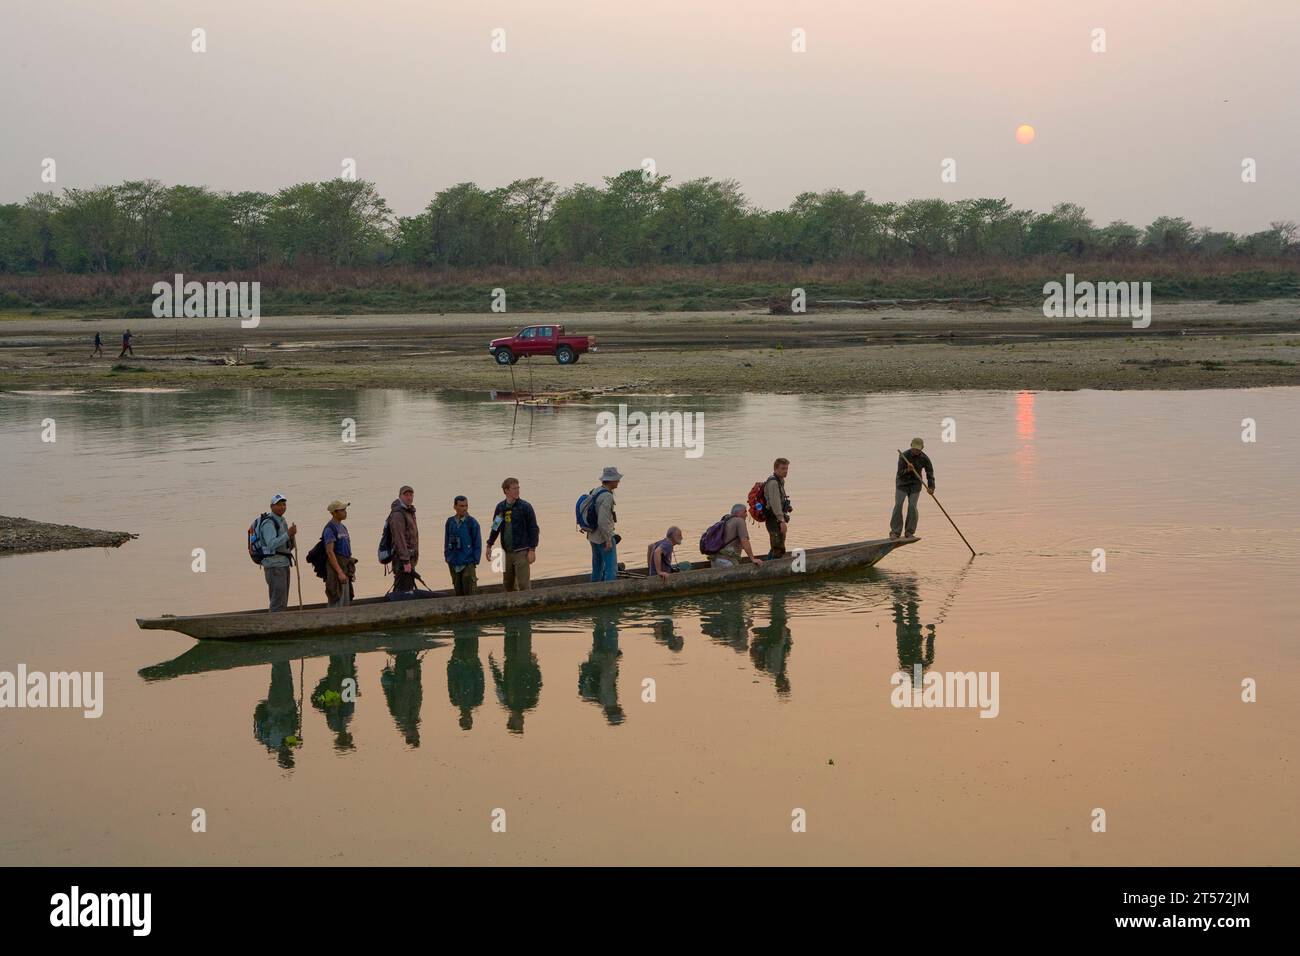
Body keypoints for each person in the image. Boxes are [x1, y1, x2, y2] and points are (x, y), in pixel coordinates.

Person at [486, 477, 539, 592]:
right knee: (508, 584)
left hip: (522, 551)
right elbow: (495, 527)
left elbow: (533, 529)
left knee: (523, 584)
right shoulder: (501, 507)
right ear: (506, 491)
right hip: (506, 552)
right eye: (514, 488)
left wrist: (532, 549)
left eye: (518, 488)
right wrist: (489, 545)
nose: (517, 490)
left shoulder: (525, 507)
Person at [257, 493, 296, 611]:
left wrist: (291, 537)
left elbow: (285, 545)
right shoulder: (269, 523)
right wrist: (288, 534)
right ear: (271, 506)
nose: (282, 507)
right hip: (274, 566)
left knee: (282, 600)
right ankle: (274, 626)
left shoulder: (282, 520)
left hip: (283, 563)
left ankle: (279, 624)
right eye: (278, 505)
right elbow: (271, 544)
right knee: (278, 601)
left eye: (284, 504)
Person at [583, 466, 622, 583]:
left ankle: (594, 589)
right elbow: (603, 521)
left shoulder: (596, 491)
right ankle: (609, 591)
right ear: (611, 481)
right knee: (611, 568)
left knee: (597, 567)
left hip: (592, 536)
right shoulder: (607, 496)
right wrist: (608, 539)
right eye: (616, 479)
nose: (618, 481)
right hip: (603, 538)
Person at [891, 437, 936, 539]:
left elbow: (930, 474)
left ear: (922, 448)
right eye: (914, 448)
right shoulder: (904, 456)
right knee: (898, 505)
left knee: (912, 506)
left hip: (915, 484)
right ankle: (895, 532)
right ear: (911, 446)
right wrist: (908, 470)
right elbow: (900, 473)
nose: (915, 451)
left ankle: (909, 532)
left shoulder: (925, 458)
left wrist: (931, 487)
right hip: (902, 484)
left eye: (918, 449)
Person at [444, 495, 482, 596]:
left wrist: (474, 561)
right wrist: (447, 557)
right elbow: (446, 540)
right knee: (458, 594)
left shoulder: (472, 523)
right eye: (461, 506)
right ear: (455, 507)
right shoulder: (450, 522)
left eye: (466, 506)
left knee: (470, 594)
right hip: (454, 562)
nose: (464, 508)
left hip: (467, 563)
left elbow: (478, 544)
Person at [322, 499, 356, 607]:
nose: (345, 512)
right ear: (334, 513)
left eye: (345, 509)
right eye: (342, 510)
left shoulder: (343, 527)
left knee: (346, 599)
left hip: (345, 566)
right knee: (336, 596)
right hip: (336, 568)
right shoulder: (329, 529)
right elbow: (330, 552)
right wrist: (339, 572)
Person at [710, 504, 764, 568]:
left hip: (714, 560)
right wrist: (753, 559)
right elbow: (744, 541)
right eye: (745, 512)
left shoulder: (725, 519)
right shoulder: (739, 521)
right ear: (738, 512)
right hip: (726, 561)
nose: (746, 515)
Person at [387, 485, 419, 593]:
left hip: (409, 558)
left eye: (411, 495)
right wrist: (406, 561)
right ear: (400, 496)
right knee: (403, 591)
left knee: (408, 588)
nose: (409, 497)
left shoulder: (409, 511)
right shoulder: (398, 514)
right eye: (406, 495)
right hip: (402, 560)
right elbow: (399, 538)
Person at [762, 457, 793, 558]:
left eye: (787, 468)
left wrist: (787, 506)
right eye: (783, 468)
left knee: (777, 546)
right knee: (778, 548)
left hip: (777, 518)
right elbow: (775, 504)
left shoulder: (780, 481)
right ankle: (769, 569)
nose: (786, 471)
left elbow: (779, 499)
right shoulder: (773, 483)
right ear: (776, 469)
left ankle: (768, 564)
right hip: (773, 519)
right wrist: (781, 521)